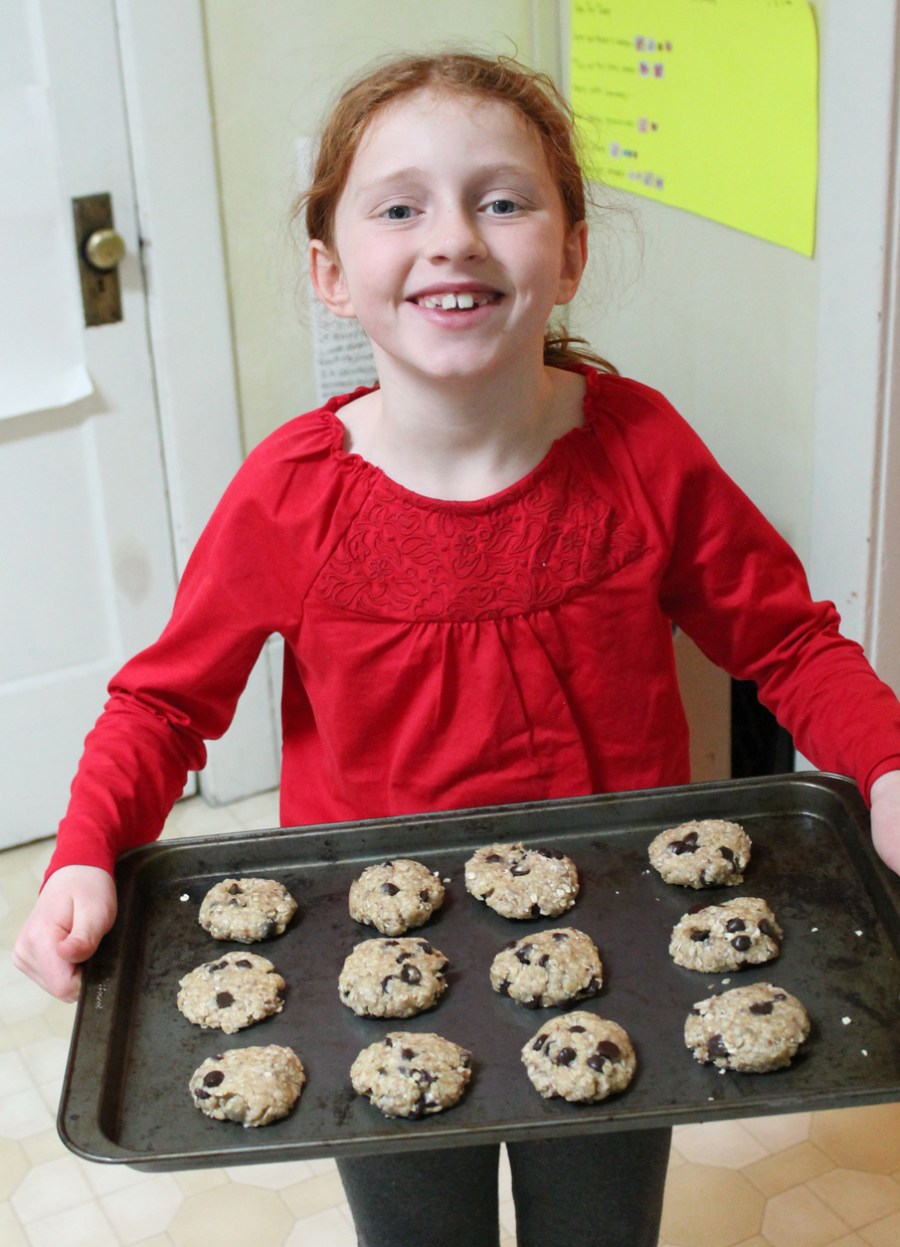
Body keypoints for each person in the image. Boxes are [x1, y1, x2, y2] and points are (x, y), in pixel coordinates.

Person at [14, 49, 900, 1247]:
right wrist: (83, 851)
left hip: (626, 934)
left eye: (503, 199)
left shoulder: (641, 449)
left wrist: (887, 763)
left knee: (599, 1227)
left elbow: (787, 642)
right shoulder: (290, 493)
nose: (455, 239)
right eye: (399, 207)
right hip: (367, 950)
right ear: (332, 269)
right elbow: (166, 706)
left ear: (572, 248)